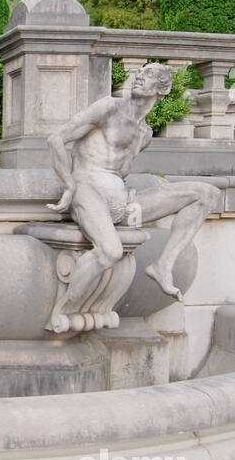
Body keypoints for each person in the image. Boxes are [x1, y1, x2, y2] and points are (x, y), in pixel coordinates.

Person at [46, 62, 220, 324]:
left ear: (162, 89)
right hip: (87, 192)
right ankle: (63, 310)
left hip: (122, 202)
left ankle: (163, 266)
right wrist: (69, 185)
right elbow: (56, 139)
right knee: (110, 251)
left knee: (206, 194)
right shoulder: (110, 108)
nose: (139, 78)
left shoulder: (144, 134)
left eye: (148, 76)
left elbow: (120, 175)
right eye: (139, 74)